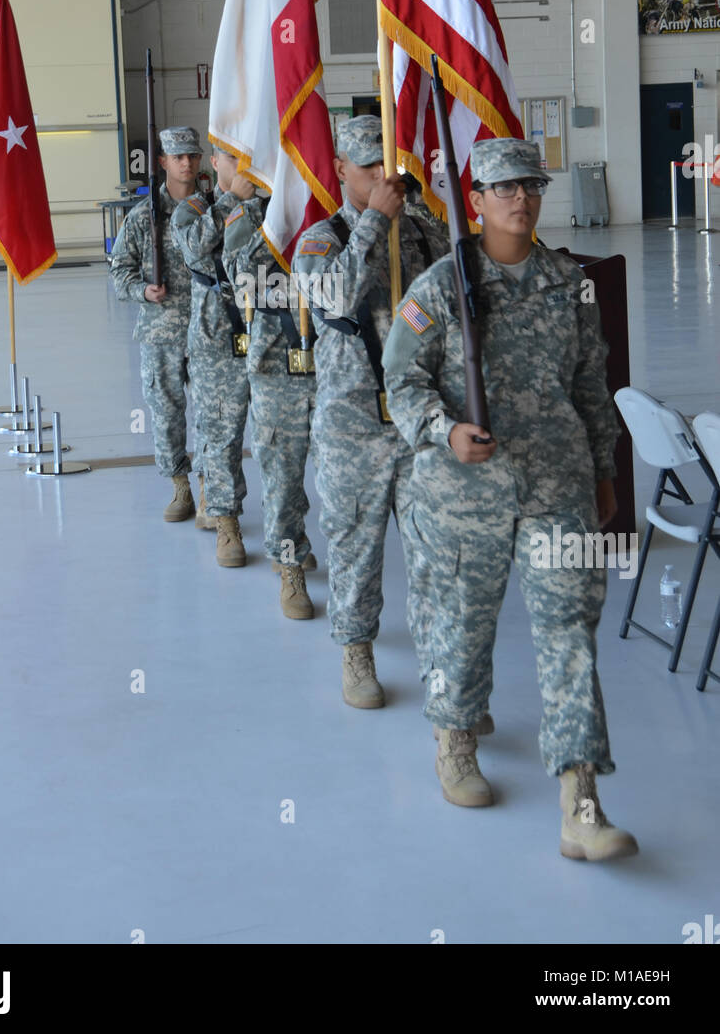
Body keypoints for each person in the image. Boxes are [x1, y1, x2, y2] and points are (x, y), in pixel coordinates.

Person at [382, 137, 638, 862]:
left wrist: (603, 470)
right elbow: (399, 379)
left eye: (529, 185)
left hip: (556, 484)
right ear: (476, 201)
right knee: (461, 622)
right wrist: (443, 430)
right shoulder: (439, 285)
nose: (518, 199)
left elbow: (592, 380)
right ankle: (455, 740)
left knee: (570, 635)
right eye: (502, 189)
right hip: (464, 491)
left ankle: (581, 803)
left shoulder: (570, 282)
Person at [293, 116, 451, 708]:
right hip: (351, 425)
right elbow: (334, 296)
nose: (386, 180)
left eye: (392, 170)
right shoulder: (321, 239)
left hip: (419, 420)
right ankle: (357, 652)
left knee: (435, 549)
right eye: (369, 170)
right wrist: (374, 220)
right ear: (340, 171)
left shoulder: (425, 233)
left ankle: (445, 673)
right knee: (356, 544)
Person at [222, 183, 318, 619]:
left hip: (337, 348)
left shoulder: (327, 207)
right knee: (282, 464)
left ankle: (301, 542)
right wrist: (276, 227)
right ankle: (289, 561)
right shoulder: (250, 216)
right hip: (277, 351)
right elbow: (237, 273)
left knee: (342, 474)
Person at [110, 126, 203, 522]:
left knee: (215, 414)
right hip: (161, 330)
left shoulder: (213, 211)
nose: (186, 163)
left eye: (192, 156)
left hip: (208, 331)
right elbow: (120, 273)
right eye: (178, 157)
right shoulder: (141, 218)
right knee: (166, 412)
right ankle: (180, 486)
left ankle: (213, 490)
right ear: (163, 162)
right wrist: (142, 291)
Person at [172, 145, 252, 568]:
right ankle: (226, 523)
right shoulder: (193, 209)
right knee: (221, 433)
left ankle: (286, 539)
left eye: (247, 157)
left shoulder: (272, 207)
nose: (242, 167)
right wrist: (232, 200)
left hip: (269, 328)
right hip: (216, 333)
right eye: (231, 156)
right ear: (215, 162)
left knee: (279, 440)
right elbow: (193, 249)